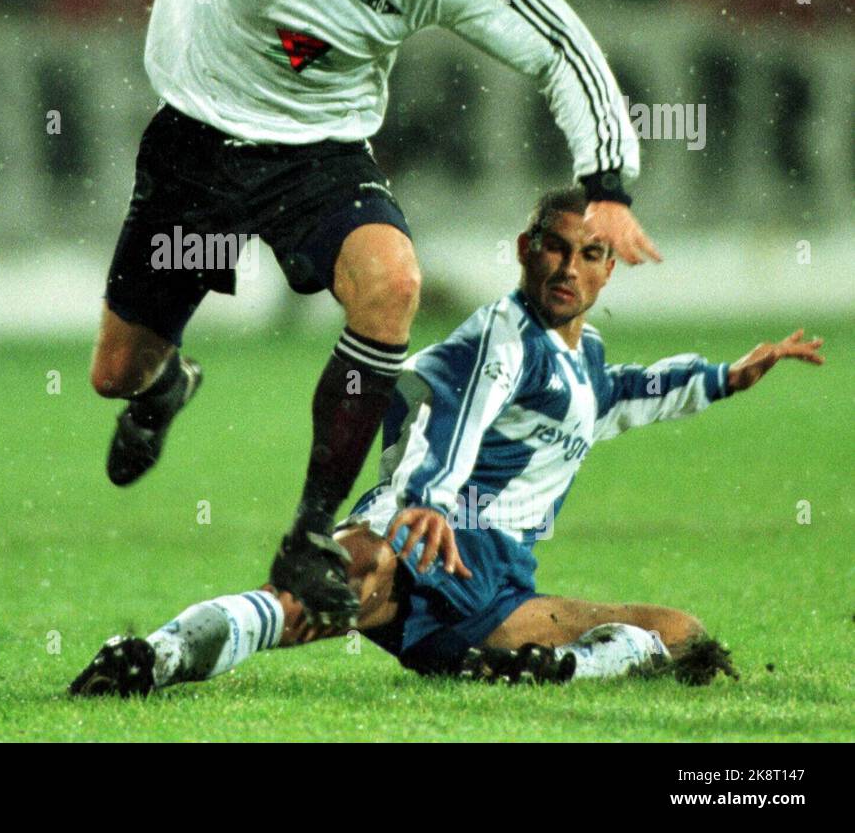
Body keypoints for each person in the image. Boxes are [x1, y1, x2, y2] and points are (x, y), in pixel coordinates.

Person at [0, 0, 660, 626]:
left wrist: (606, 182)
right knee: (114, 373)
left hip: (318, 162)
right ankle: (164, 386)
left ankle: (308, 532)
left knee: (393, 282)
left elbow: (556, 40)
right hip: (195, 155)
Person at [67, 187, 824, 695]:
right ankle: (151, 657)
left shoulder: (584, 364)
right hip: (422, 538)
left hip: (495, 591)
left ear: (610, 268)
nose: (567, 267)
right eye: (555, 248)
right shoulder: (503, 331)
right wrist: (426, 500)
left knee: (680, 634)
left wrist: (727, 374)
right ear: (527, 249)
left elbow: (630, 393)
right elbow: (461, 403)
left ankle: (541, 667)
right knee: (307, 599)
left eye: (589, 254)